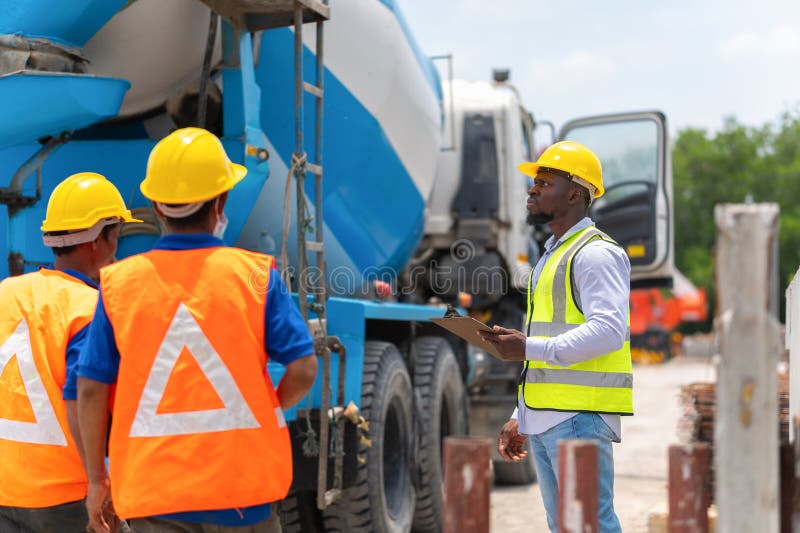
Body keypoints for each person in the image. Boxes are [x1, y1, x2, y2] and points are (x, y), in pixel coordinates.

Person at [77, 127, 318, 533]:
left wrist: (97, 479)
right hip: (244, 496)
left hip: (156, 499)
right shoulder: (256, 276)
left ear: (155, 205)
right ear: (222, 202)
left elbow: (89, 388)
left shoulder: (118, 285)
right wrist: (268, 406)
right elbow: (305, 369)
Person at [479, 141, 632, 533]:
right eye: (533, 183)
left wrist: (526, 347)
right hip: (550, 419)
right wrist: (522, 415)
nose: (532, 190)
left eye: (544, 183)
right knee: (565, 527)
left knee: (590, 526)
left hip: (579, 417)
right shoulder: (551, 255)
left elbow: (610, 331)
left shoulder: (595, 254)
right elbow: (550, 337)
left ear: (576, 193)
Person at [0, 172, 139, 532]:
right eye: (117, 234)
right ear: (100, 239)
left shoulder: (7, 291)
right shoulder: (89, 308)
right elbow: (82, 396)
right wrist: (99, 481)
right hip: (65, 497)